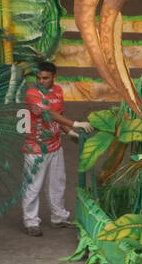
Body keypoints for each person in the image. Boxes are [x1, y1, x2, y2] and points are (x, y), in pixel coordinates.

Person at [22, 62, 91, 236]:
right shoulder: (32, 94)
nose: (41, 81)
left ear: (54, 77)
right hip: (36, 148)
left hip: (55, 144)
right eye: (38, 78)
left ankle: (59, 217)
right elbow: (49, 114)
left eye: (45, 78)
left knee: (58, 183)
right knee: (33, 186)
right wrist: (75, 123)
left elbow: (58, 117)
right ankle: (31, 222)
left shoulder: (58, 91)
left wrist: (70, 132)